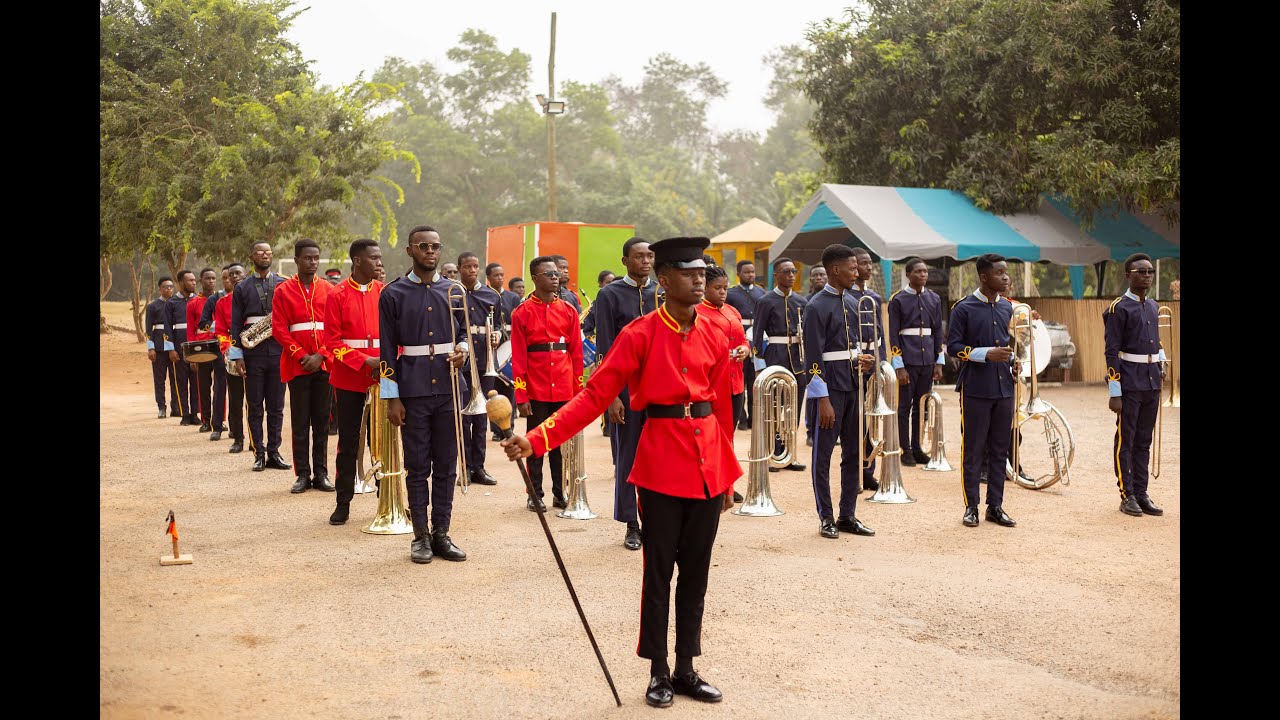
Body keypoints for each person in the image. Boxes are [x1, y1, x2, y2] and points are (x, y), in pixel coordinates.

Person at [502, 236, 737, 709]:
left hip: (709, 461)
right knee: (659, 572)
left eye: (701, 272)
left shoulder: (717, 329)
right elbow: (593, 396)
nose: (699, 280)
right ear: (665, 280)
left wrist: (728, 475)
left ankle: (687, 666)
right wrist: (538, 439)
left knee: (696, 571)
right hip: (662, 462)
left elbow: (722, 404)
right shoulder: (640, 334)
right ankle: (659, 671)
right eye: (687, 273)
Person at [379, 225, 470, 564]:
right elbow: (388, 348)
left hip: (449, 387)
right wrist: (392, 397)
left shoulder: (454, 291)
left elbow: (463, 334)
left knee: (446, 465)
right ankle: (420, 537)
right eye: (423, 246)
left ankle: (442, 533)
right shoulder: (393, 293)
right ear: (410, 251)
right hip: (413, 388)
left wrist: (461, 349)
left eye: (435, 246)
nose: (430, 251)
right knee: (418, 466)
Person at [802, 244, 877, 540]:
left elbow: (852, 345)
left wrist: (863, 359)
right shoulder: (815, 306)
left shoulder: (853, 302)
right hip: (829, 391)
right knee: (822, 457)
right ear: (836, 270)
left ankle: (848, 515)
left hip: (853, 385)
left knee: (854, 454)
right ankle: (826, 517)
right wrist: (822, 399)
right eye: (852, 268)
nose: (856, 272)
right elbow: (813, 357)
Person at [593, 237, 658, 550]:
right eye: (638, 256)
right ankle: (631, 523)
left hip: (660, 386)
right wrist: (611, 396)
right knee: (628, 458)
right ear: (625, 261)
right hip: (626, 387)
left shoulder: (661, 291)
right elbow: (604, 348)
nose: (644, 261)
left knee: (660, 456)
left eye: (649, 256)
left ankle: (655, 521)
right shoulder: (610, 294)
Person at [946, 253, 1018, 529]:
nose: (1006, 277)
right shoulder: (963, 308)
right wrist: (987, 354)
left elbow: (1014, 346)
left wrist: (1014, 363)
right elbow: (953, 346)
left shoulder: (1009, 308)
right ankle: (971, 506)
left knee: (1000, 449)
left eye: (1006, 272)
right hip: (976, 387)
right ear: (984, 277)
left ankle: (995, 506)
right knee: (973, 449)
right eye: (1000, 273)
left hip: (1004, 388)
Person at [510, 256, 585, 510]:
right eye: (549, 274)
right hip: (537, 389)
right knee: (536, 444)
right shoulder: (521, 313)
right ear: (535, 278)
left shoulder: (569, 310)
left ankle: (559, 492)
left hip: (564, 387)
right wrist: (521, 397)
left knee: (560, 445)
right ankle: (535, 494)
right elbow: (519, 358)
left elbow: (577, 353)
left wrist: (578, 391)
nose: (555, 277)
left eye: (556, 273)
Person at [322, 238, 384, 524]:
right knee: (348, 441)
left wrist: (385, 363)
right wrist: (363, 362)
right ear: (357, 261)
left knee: (382, 442)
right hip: (349, 377)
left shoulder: (385, 292)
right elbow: (332, 342)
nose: (379, 263)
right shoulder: (337, 295)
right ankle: (343, 501)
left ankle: (388, 501)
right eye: (373, 258)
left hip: (383, 377)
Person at [1105, 253, 1166, 518]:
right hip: (1129, 381)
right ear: (1128, 275)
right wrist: (1114, 391)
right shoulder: (1119, 308)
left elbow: (1155, 340)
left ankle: (1141, 493)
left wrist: (1161, 360)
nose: (1147, 276)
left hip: (1151, 380)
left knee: (1144, 441)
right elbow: (1111, 352)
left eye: (1150, 271)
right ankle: (1126, 494)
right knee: (1126, 440)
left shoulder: (1153, 306)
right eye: (1141, 271)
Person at [272, 238, 334, 494]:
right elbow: (279, 329)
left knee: (322, 422)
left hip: (323, 365)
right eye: (308, 258)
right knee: (300, 422)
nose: (313, 262)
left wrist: (320, 355)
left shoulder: (330, 289)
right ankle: (303, 474)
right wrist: (300, 356)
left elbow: (335, 329)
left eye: (316, 258)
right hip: (297, 366)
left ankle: (321, 473)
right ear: (296, 260)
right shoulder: (283, 291)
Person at [228, 241, 291, 473]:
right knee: (254, 405)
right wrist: (237, 355)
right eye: (260, 252)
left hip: (278, 350)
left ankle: (274, 451)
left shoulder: (284, 283)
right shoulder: (242, 287)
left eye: (268, 252)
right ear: (252, 256)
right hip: (252, 352)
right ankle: (259, 453)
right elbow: (236, 323)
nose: (265, 255)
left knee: (276, 406)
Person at [750, 256, 808, 473]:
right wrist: (759, 367)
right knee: (774, 408)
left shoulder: (802, 302)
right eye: (786, 272)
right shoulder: (765, 301)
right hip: (775, 358)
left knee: (794, 408)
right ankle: (774, 452)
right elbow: (757, 337)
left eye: (793, 271)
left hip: (798, 360)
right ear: (776, 275)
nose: (791, 275)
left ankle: (790, 454)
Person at [699, 264, 750, 502]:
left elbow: (743, 341)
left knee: (728, 435)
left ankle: (727, 484)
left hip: (735, 382)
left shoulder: (732, 311)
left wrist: (744, 350)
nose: (722, 292)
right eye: (717, 288)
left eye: (725, 288)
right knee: (712, 436)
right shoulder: (698, 312)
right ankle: (711, 483)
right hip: (712, 383)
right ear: (705, 288)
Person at [888, 258, 945, 466]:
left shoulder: (934, 298)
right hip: (908, 360)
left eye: (925, 272)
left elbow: (938, 331)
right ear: (908, 274)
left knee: (922, 407)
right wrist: (898, 365)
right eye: (919, 271)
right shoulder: (898, 299)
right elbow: (893, 334)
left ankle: (918, 446)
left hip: (927, 359)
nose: (923, 275)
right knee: (904, 406)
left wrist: (939, 361)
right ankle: (905, 449)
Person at [456, 251, 501, 487]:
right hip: (461, 363)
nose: (472, 271)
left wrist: (497, 335)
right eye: (467, 267)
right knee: (463, 417)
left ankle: (479, 467)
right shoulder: (452, 294)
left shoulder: (491, 295)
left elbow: (501, 326)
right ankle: (464, 467)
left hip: (485, 363)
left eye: (475, 267)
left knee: (481, 417)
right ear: (459, 268)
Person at [847, 248, 886, 493]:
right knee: (855, 420)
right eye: (863, 263)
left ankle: (868, 470)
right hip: (855, 361)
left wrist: (883, 362)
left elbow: (880, 333)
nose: (868, 267)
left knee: (872, 418)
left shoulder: (873, 296)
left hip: (874, 361)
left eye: (870, 263)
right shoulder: (846, 295)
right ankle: (855, 473)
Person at [202, 263, 246, 445]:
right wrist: (229, 349)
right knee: (228, 395)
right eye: (228, 276)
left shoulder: (254, 298)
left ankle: (254, 441)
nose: (232, 279)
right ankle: (228, 432)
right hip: (229, 352)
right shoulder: (219, 301)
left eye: (236, 275)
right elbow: (216, 328)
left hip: (253, 351)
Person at [725, 260, 765, 431]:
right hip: (738, 340)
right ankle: (741, 419)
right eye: (747, 272)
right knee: (739, 379)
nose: (751, 275)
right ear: (739, 274)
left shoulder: (761, 293)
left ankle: (753, 419)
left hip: (756, 338)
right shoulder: (730, 293)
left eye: (752, 272)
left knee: (754, 380)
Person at [164, 270, 202, 426]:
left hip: (197, 348)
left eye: (194, 280)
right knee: (181, 381)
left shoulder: (200, 301)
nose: (193, 283)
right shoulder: (171, 303)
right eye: (189, 280)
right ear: (180, 282)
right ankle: (184, 414)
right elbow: (167, 327)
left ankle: (195, 414)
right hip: (179, 348)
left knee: (196, 382)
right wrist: (171, 349)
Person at [185, 268, 220, 432]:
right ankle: (206, 421)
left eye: (213, 278)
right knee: (204, 386)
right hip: (201, 348)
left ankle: (220, 420)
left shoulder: (221, 299)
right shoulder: (193, 303)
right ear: (201, 280)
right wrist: (192, 356)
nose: (211, 281)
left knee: (220, 387)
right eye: (207, 278)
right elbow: (191, 330)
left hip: (220, 346)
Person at [486, 262, 517, 441]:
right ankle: (497, 430)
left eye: (501, 275)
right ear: (489, 278)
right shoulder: (487, 295)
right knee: (494, 388)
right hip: (493, 346)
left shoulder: (512, 297)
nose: (500, 278)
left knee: (509, 387)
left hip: (509, 345)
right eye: (496, 275)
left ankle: (509, 427)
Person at [146, 277, 180, 419]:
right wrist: (150, 348)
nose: (169, 289)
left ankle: (176, 407)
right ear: (160, 289)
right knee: (159, 379)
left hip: (174, 345)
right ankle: (161, 407)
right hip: (159, 346)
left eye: (171, 286)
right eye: (166, 287)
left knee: (176, 378)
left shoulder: (176, 304)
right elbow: (148, 329)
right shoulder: (153, 306)